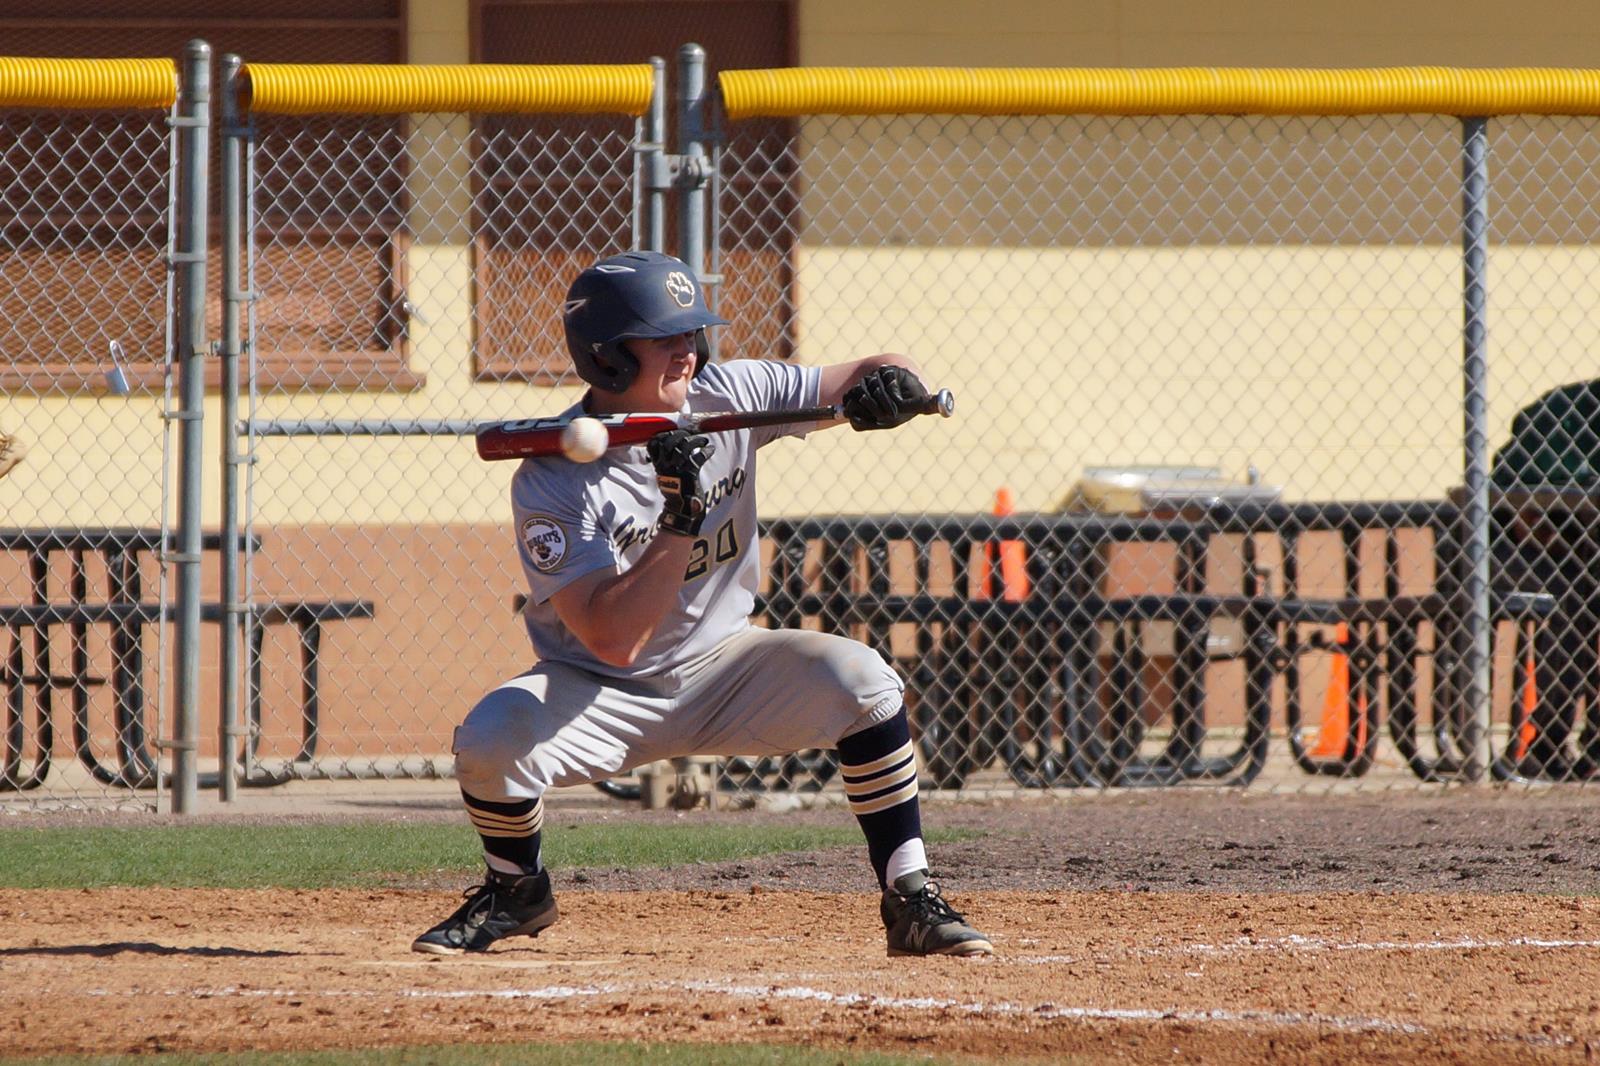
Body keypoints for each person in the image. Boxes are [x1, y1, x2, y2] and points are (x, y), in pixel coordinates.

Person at [412, 250, 991, 958]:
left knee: (864, 681)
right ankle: (516, 892)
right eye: (664, 337)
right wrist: (679, 524)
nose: (686, 351)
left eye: (691, 333)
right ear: (608, 357)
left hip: (727, 667)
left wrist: (892, 386)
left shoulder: (730, 395)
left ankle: (912, 899)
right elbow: (614, 639)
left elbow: (867, 367)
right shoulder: (556, 481)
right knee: (489, 738)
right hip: (602, 693)